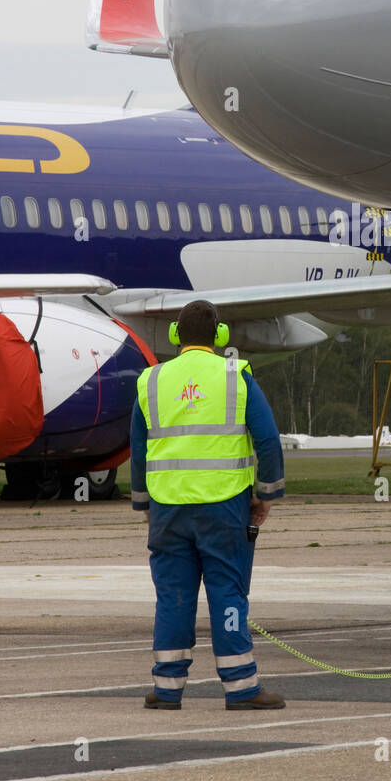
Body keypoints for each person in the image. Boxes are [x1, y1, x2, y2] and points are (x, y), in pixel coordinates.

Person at [130, 299, 285, 711]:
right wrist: (266, 494)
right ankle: (241, 688)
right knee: (227, 592)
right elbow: (268, 440)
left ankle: (167, 688)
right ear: (220, 336)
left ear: (176, 336)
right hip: (223, 506)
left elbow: (139, 449)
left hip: (167, 509)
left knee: (173, 596)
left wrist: (144, 505)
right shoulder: (236, 375)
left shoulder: (151, 380)